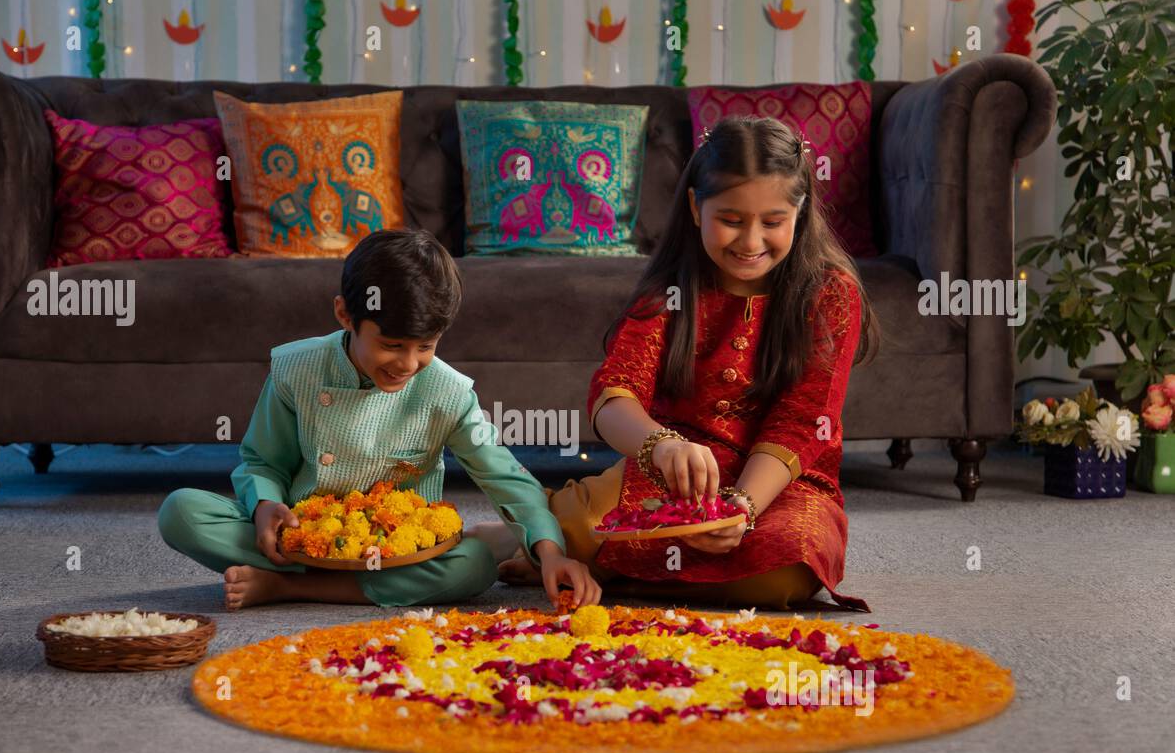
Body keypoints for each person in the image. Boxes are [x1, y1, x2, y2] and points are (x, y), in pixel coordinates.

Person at [479, 115, 879, 611]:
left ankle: (608, 572)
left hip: (781, 483)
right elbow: (614, 394)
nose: (751, 242)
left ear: (800, 211)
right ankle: (560, 546)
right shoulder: (671, 290)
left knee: (787, 570)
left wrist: (744, 506)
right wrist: (662, 446)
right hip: (673, 476)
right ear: (695, 206)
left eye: (772, 223)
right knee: (585, 525)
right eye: (731, 220)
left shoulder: (830, 293)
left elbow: (804, 420)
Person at [158, 228, 601, 611]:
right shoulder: (297, 369)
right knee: (181, 511)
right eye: (392, 345)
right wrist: (263, 508)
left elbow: (508, 479)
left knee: (475, 566)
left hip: (396, 552)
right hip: (302, 537)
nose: (408, 364)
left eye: (425, 346)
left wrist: (550, 553)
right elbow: (263, 462)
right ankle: (322, 579)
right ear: (345, 315)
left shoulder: (448, 393)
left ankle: (288, 586)